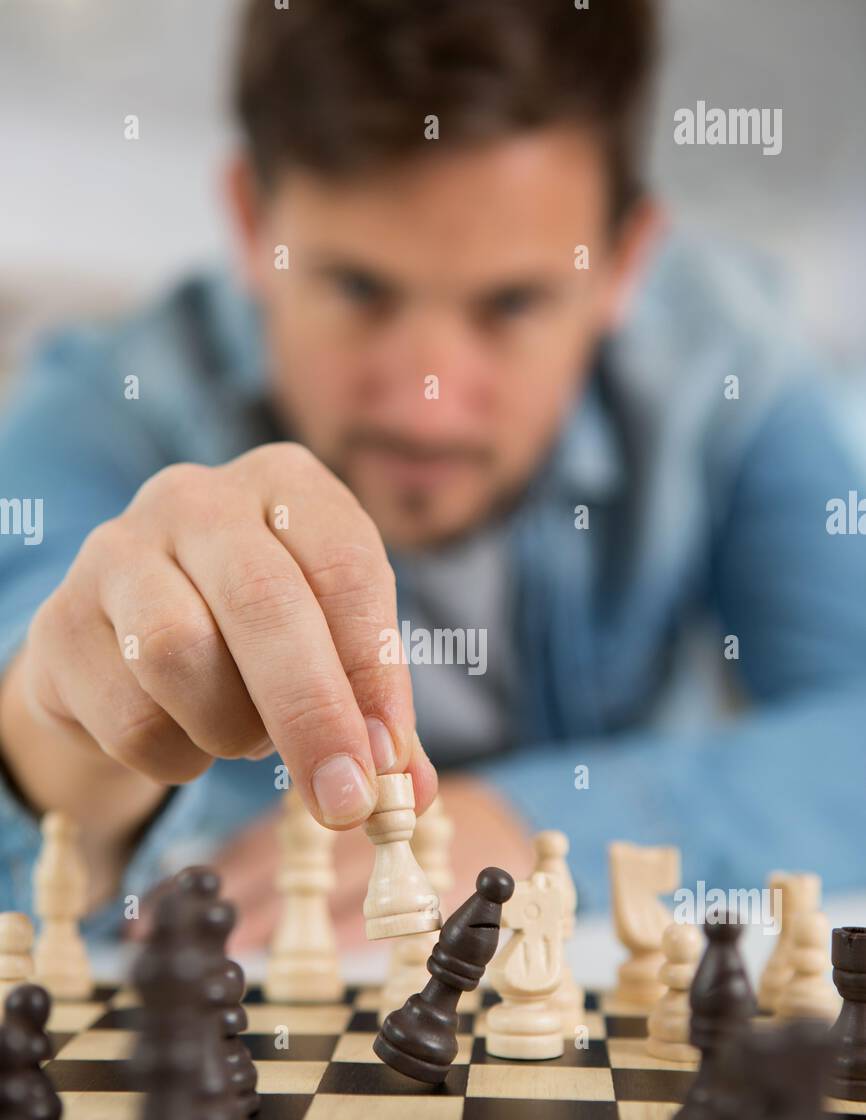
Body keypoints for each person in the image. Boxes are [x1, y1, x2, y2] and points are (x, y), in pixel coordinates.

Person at [0, 0, 864, 945]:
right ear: (252, 223)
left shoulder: (730, 369)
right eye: (357, 288)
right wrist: (57, 738)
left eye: (513, 303)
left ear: (625, 261)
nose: (425, 401)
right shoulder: (99, 406)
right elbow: (33, 699)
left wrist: (530, 830)